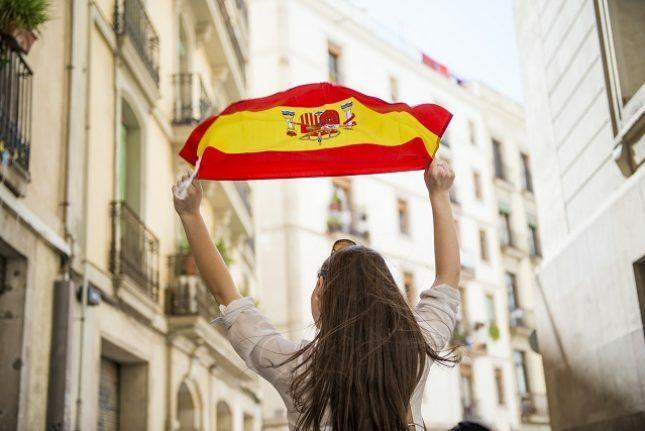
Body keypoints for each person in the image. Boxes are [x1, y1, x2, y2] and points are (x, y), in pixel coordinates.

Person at [172, 160, 461, 430]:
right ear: (389, 296)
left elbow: (227, 295)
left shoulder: (296, 369)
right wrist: (440, 194)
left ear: (320, 296)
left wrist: (190, 214)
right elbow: (447, 279)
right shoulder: (416, 350)